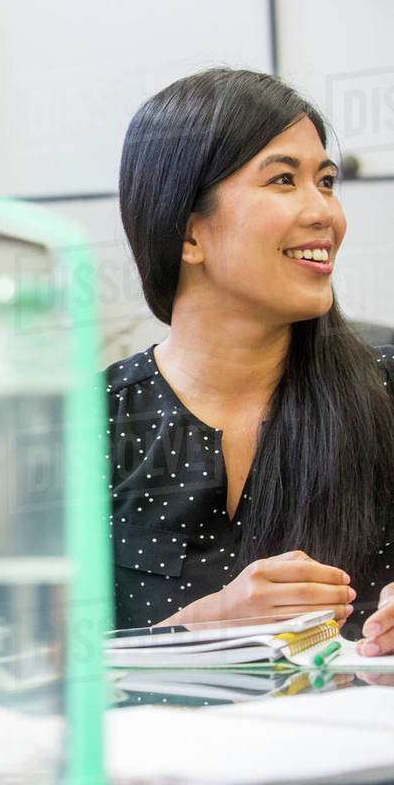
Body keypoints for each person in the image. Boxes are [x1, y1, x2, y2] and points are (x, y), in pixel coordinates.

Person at [106, 68, 394, 655]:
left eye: (328, 181)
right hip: (162, 748)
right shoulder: (88, 426)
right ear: (188, 233)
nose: (326, 215)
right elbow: (22, 675)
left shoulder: (385, 393)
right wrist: (199, 629)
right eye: (284, 180)